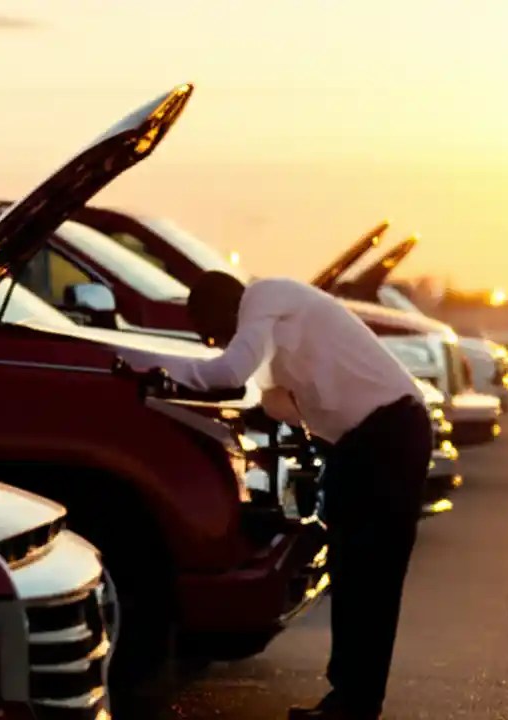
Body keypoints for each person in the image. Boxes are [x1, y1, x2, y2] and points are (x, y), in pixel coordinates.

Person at [118, 271, 432, 720]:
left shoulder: (266, 296)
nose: (214, 340)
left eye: (211, 329)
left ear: (226, 306)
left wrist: (151, 365)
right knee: (352, 574)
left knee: (370, 578)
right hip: (367, 441)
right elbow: (269, 402)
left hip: (390, 434)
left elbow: (229, 371)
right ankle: (348, 700)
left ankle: (356, 705)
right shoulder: (277, 325)